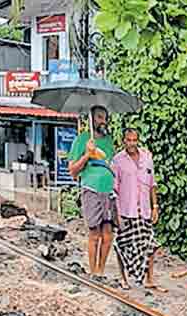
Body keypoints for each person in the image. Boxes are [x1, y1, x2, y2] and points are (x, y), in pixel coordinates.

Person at [111, 127, 163, 291]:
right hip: (126, 209)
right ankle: (123, 278)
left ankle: (149, 278)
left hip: (144, 210)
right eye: (129, 140)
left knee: (150, 244)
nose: (132, 143)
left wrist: (155, 206)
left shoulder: (147, 158)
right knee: (122, 245)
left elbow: (152, 183)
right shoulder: (117, 161)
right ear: (123, 141)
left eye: (134, 140)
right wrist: (116, 214)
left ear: (138, 140)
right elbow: (114, 189)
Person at [67, 106, 116, 279]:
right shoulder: (82, 140)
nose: (103, 121)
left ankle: (101, 271)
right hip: (91, 190)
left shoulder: (109, 141)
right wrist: (87, 154)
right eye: (99, 118)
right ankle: (93, 272)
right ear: (92, 119)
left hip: (109, 192)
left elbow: (111, 163)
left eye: (105, 118)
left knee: (108, 234)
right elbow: (72, 171)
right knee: (95, 233)